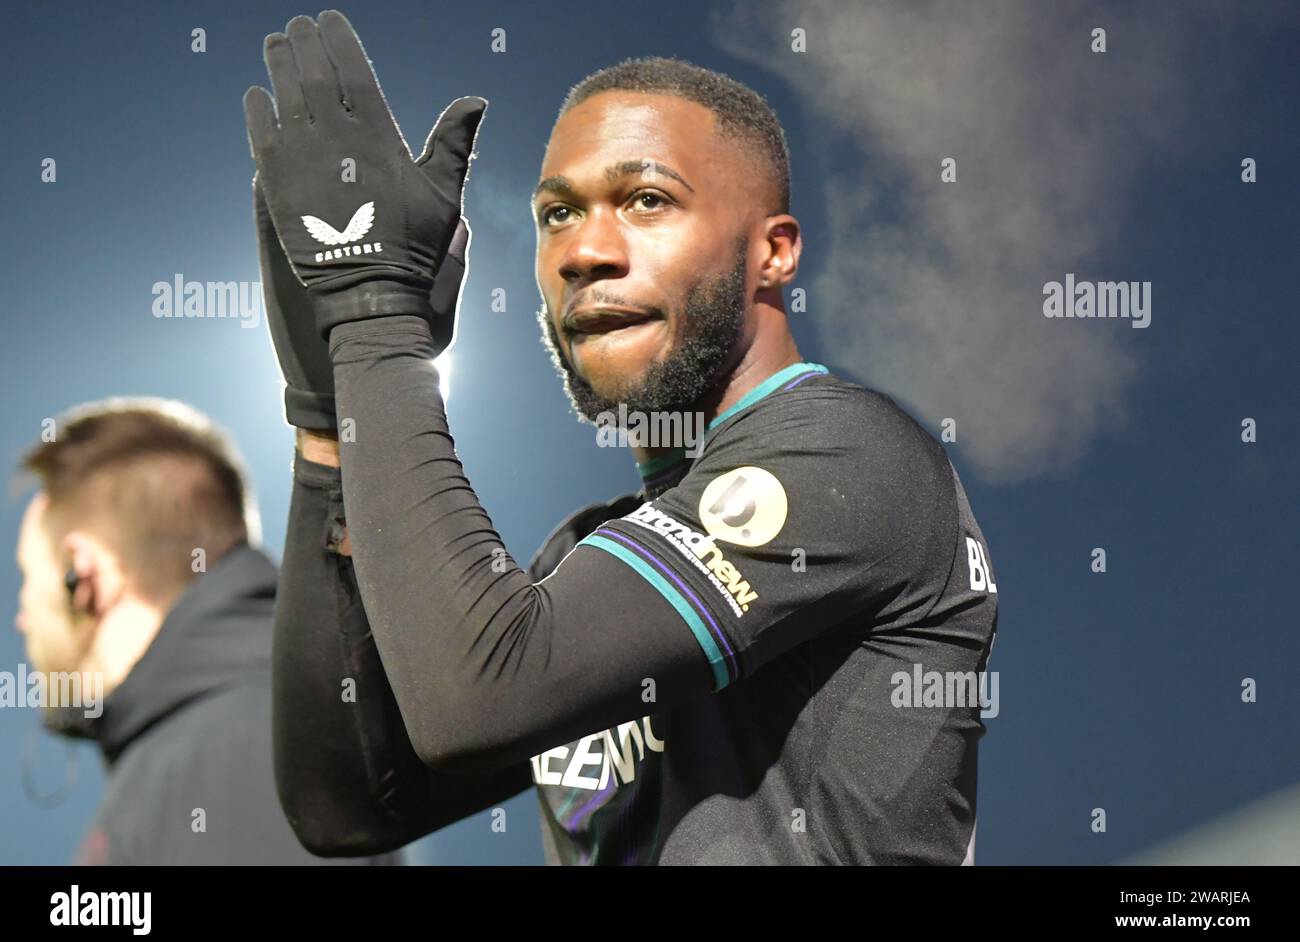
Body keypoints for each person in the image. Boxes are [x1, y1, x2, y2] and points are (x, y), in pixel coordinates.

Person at [249, 11, 998, 864]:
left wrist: (375, 313)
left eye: (647, 200)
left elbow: (480, 691)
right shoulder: (581, 559)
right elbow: (347, 806)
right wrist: (328, 418)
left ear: (775, 252)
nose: (586, 250)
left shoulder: (852, 455)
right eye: (558, 213)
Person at [13, 397, 397, 865]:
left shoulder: (218, 758)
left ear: (83, 572)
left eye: (28, 580)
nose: (22, 620)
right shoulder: (260, 727)